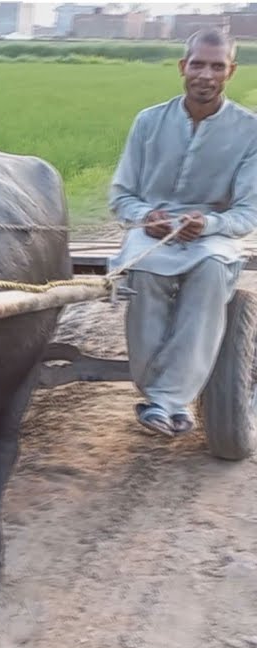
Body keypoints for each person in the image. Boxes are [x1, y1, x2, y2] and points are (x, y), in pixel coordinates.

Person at [108, 27, 257, 437]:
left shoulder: (250, 130)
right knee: (145, 273)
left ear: (231, 71)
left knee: (210, 272)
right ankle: (165, 399)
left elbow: (248, 211)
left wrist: (207, 223)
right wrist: (148, 216)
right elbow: (122, 196)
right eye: (198, 64)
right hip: (151, 232)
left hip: (212, 235)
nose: (205, 74)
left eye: (216, 66)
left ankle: (165, 401)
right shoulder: (149, 121)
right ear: (182, 67)